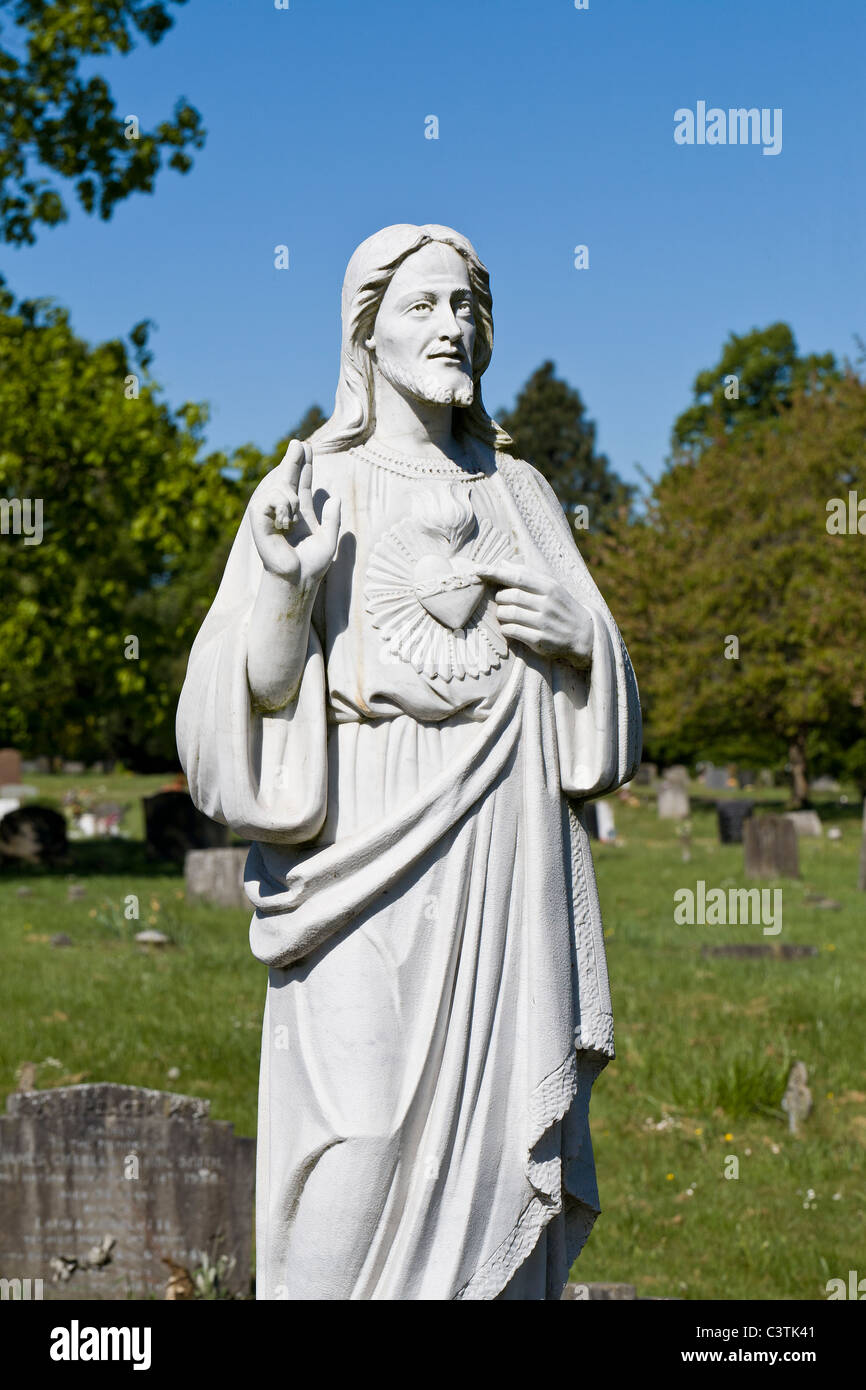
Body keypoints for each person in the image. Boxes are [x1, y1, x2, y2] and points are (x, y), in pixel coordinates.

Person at [176, 224, 641, 1300]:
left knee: (487, 1139)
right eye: (425, 305)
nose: (453, 327)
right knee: (364, 1131)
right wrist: (288, 585)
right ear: (365, 329)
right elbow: (240, 706)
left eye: (468, 307)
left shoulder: (517, 491)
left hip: (499, 859)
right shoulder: (312, 480)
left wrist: (580, 642)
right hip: (357, 857)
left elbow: (596, 717)